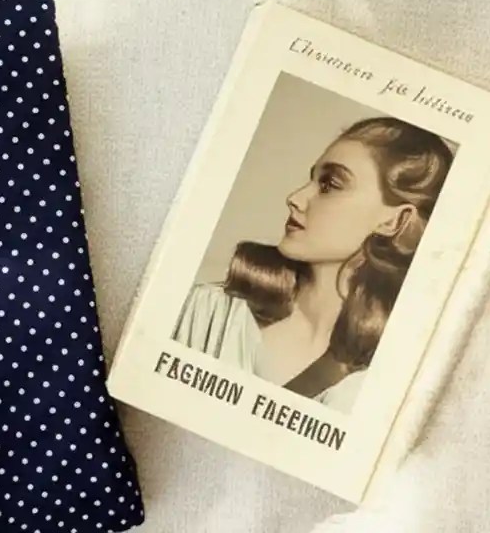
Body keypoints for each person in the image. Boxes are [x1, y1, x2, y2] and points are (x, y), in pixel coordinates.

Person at [172, 116, 454, 414]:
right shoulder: (210, 313)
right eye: (312, 179)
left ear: (394, 221)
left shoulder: (387, 380)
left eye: (330, 185)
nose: (294, 198)